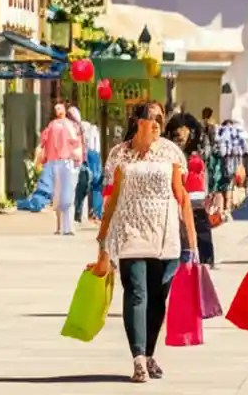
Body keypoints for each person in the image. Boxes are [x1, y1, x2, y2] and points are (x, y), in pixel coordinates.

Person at [88, 102, 198, 383]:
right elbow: (111, 200)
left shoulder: (170, 153)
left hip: (165, 235)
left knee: (157, 298)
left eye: (161, 118)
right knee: (137, 293)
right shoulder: (120, 154)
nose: (159, 124)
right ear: (138, 122)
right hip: (130, 232)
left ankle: (149, 354)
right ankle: (138, 358)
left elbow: (181, 195)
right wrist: (102, 241)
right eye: (153, 119)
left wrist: (193, 241)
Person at [168, 112, 215, 266]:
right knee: (182, 232)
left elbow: (209, 169)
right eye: (178, 129)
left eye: (184, 129)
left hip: (199, 196)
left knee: (203, 230)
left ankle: (206, 260)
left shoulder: (200, 147)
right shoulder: (171, 149)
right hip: (180, 196)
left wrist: (212, 193)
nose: (181, 133)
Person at [41, 103, 84, 236]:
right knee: (67, 193)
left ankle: (61, 226)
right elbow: (75, 142)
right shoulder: (68, 126)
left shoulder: (52, 126)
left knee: (59, 194)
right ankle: (67, 226)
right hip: (65, 162)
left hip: (56, 162)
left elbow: (43, 141)